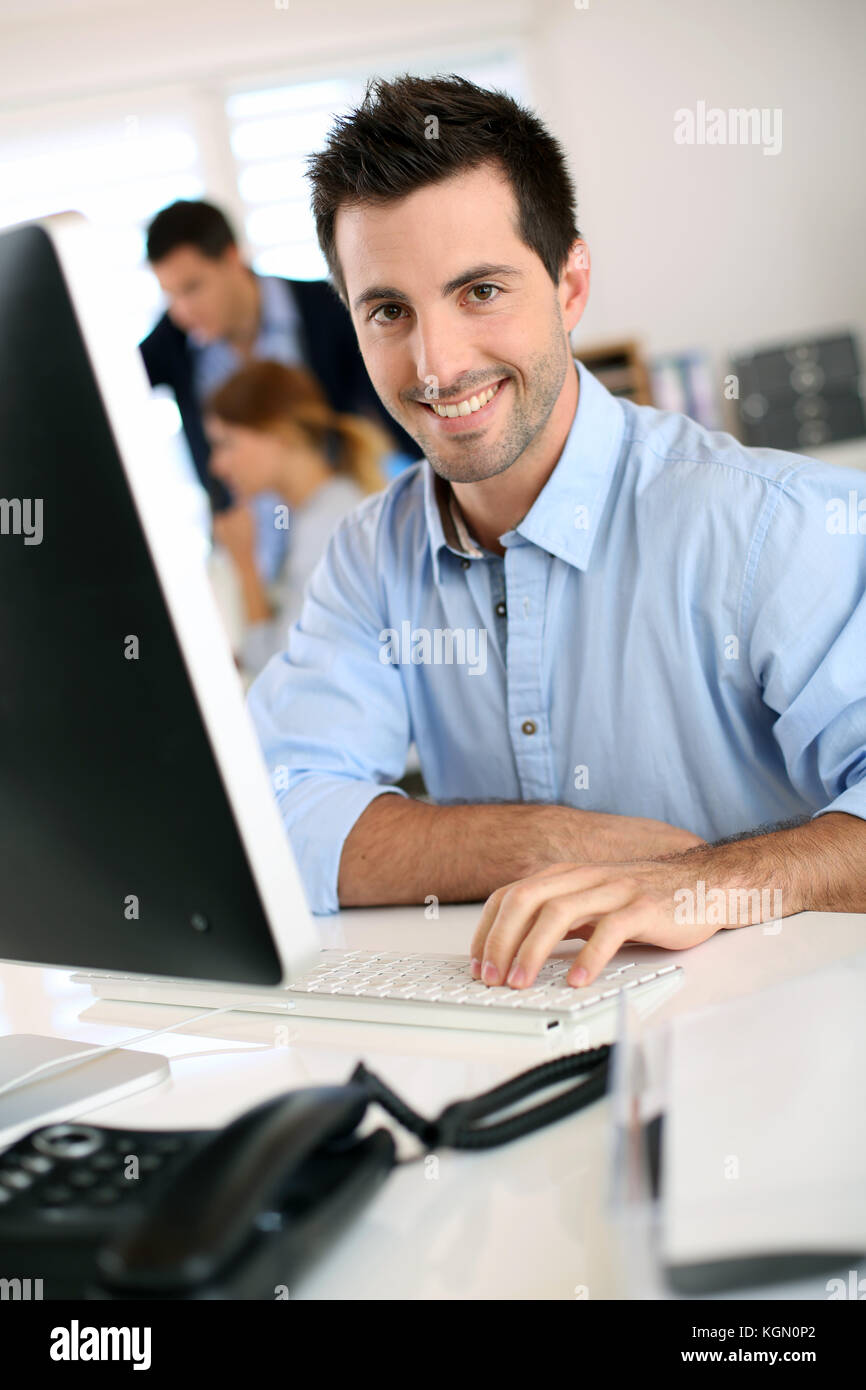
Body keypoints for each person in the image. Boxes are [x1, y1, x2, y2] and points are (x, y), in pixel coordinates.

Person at [246, 74, 866, 993]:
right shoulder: (370, 556)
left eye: (481, 290)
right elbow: (276, 821)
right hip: (516, 1060)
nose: (438, 364)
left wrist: (697, 883)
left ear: (571, 284)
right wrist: (556, 841)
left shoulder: (775, 523)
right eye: (390, 311)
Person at [138, 199, 419, 578]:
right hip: (253, 566)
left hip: (337, 545)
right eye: (170, 294)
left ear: (232, 257)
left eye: (192, 288)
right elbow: (105, 393)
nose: (182, 310)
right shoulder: (172, 342)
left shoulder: (327, 310)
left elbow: (392, 417)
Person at [203, 360, 387, 676]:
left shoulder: (327, 528)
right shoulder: (320, 511)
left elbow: (280, 674)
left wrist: (244, 565)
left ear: (280, 434)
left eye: (226, 444)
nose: (217, 465)